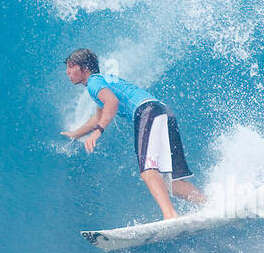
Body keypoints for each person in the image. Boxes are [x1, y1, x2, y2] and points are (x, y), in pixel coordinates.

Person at [61, 48, 207, 219]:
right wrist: (75, 134)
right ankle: (211, 205)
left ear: (84, 68)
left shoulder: (94, 82)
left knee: (148, 173)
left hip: (147, 112)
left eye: (71, 66)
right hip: (162, 111)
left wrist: (98, 131)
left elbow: (112, 103)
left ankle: (170, 215)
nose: (67, 71)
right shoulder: (102, 82)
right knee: (169, 183)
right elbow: (98, 116)